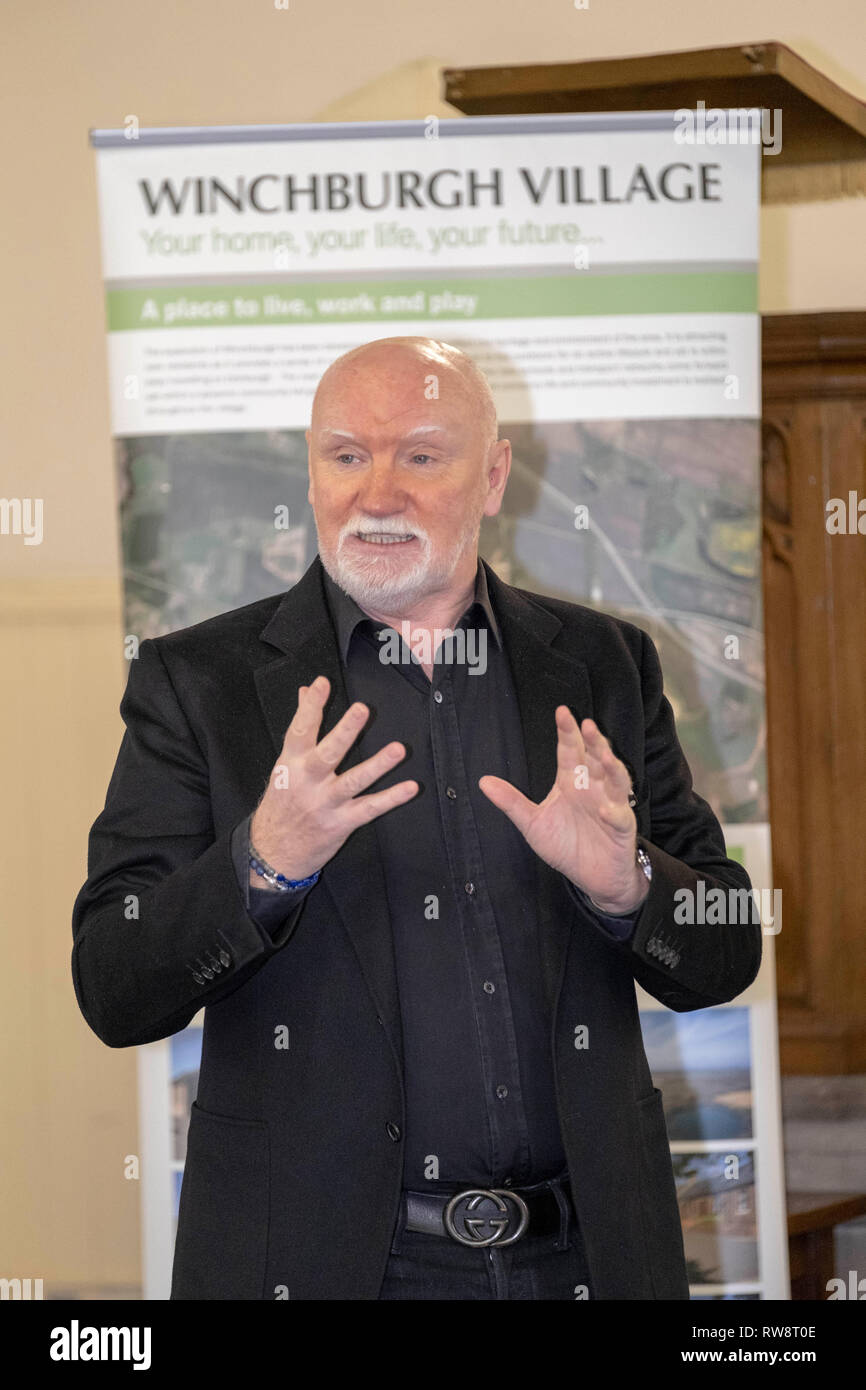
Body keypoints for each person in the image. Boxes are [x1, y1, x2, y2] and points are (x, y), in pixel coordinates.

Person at [71, 336, 761, 1301]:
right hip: (323, 1268)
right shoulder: (202, 684)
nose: (378, 492)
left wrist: (626, 882)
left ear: (493, 477)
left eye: (422, 455)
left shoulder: (606, 664)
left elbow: (725, 952)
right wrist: (262, 866)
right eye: (346, 455)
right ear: (310, 473)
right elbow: (114, 986)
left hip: (590, 1260)